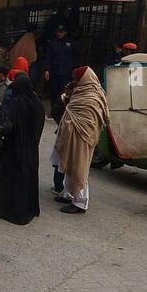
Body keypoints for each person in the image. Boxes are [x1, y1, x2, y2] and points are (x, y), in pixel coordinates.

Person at [0, 73, 44, 225]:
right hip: (31, 148)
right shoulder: (38, 104)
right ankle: (26, 210)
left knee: (6, 176)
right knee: (26, 177)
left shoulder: (18, 103)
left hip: (14, 147)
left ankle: (5, 209)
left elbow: (10, 125)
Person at [53, 67, 109, 215]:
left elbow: (90, 119)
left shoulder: (93, 96)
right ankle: (69, 194)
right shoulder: (80, 90)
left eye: (77, 79)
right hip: (71, 134)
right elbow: (69, 106)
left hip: (83, 137)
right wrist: (69, 93)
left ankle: (80, 202)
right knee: (68, 164)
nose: (75, 82)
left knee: (79, 167)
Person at [44, 25, 75, 118]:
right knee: (54, 91)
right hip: (55, 71)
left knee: (64, 92)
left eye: (61, 32)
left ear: (65, 32)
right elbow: (48, 57)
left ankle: (62, 112)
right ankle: (53, 111)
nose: (60, 34)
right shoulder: (53, 43)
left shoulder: (70, 43)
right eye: (58, 32)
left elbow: (74, 57)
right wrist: (47, 69)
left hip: (65, 71)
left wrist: (72, 70)